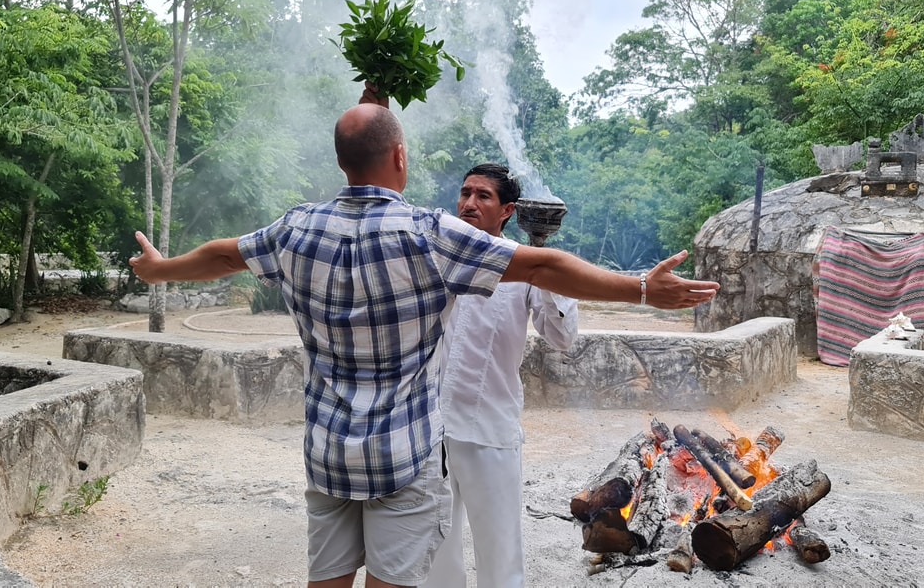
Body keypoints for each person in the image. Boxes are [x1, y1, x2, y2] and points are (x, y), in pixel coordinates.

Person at [129, 97, 719, 588]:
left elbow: (223, 254)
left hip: (330, 452)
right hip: (404, 455)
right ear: (401, 159)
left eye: (482, 197)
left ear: (341, 162)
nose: (468, 203)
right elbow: (546, 266)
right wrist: (641, 288)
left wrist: (161, 270)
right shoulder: (430, 238)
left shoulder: (296, 228)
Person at [424, 163, 579, 588]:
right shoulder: (440, 256)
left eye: (483, 196)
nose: (469, 203)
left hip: (489, 429)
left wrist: (543, 257)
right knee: (434, 550)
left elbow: (562, 336)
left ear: (508, 209)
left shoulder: (526, 268)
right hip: (432, 429)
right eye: (465, 193)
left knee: (500, 555)